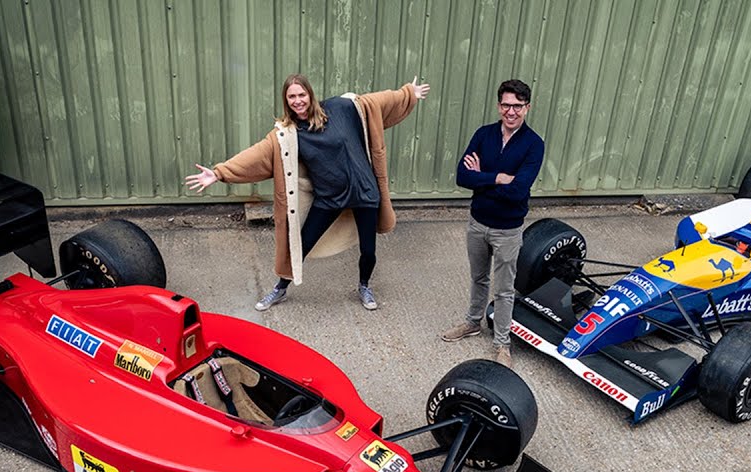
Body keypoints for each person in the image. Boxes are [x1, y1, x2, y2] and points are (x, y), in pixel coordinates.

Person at [187, 74, 431, 311]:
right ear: (287, 101)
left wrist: (408, 93)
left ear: (310, 95)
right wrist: (219, 173)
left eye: (301, 94)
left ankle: (364, 286)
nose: (297, 100)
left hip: (364, 192)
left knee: (368, 249)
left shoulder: (340, 108)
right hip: (329, 198)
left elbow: (375, 102)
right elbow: (256, 155)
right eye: (291, 96)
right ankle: (280, 288)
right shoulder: (288, 134)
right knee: (300, 245)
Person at [441, 79, 545, 368]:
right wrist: (497, 177)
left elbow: (518, 191)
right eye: (506, 105)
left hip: (508, 229)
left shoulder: (533, 144)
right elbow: (462, 176)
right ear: (499, 106)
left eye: (518, 106)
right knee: (478, 278)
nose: (511, 111)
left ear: (527, 108)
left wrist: (482, 177)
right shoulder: (484, 134)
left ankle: (502, 343)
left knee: (504, 288)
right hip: (477, 223)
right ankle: (472, 322)